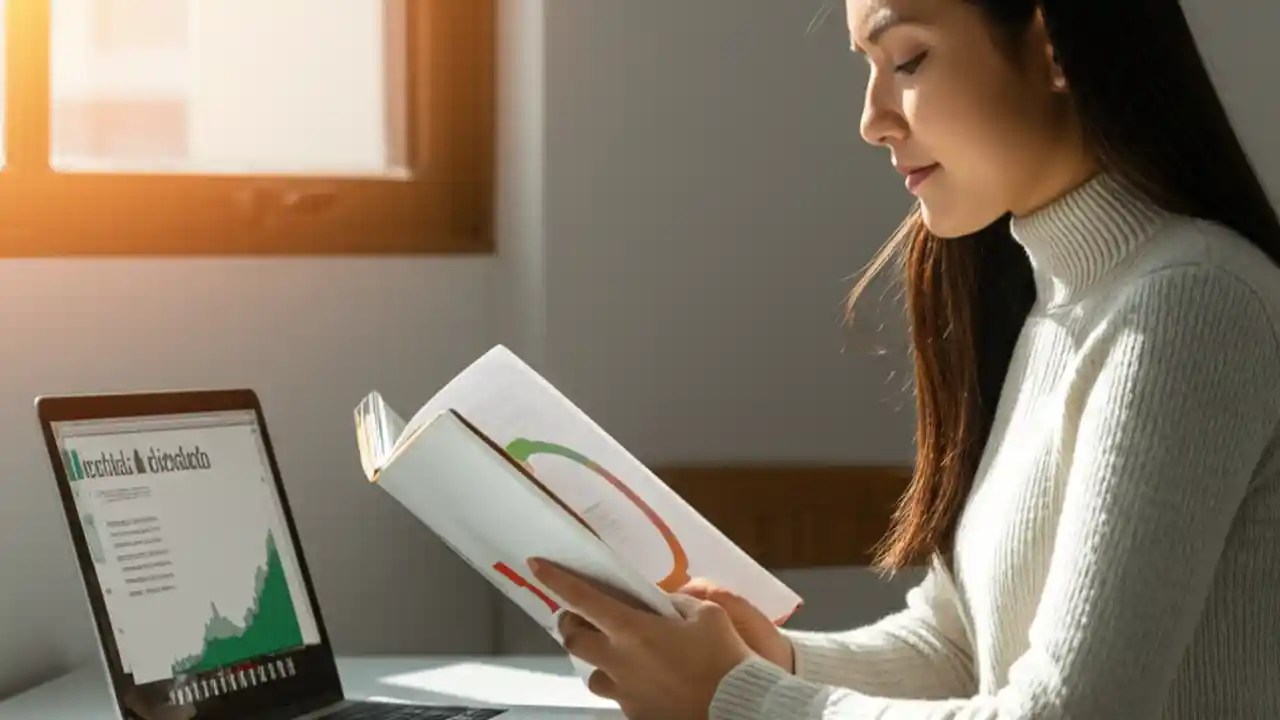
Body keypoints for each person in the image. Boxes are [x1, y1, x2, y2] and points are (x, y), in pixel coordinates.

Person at [530, 0, 1280, 717]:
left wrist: (734, 698)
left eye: (909, 61)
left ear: (1054, 48)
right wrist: (770, 660)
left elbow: (1074, 712)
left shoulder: (1192, 301)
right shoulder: (1060, 303)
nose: (872, 121)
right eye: (868, 67)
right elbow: (957, 647)